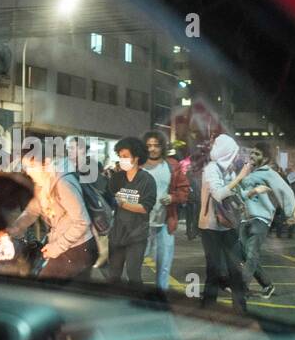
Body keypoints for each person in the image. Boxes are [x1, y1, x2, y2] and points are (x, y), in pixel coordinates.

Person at [0, 138, 96, 279]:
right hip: (62, 242)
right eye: (26, 166)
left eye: (32, 165)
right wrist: (16, 227)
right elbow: (32, 211)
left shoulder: (63, 183)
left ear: (46, 162)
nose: (28, 171)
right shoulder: (42, 182)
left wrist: (57, 248)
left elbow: (82, 222)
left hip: (78, 248)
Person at [198, 134, 253, 313]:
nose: (237, 156)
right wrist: (241, 177)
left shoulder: (229, 169)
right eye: (234, 152)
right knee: (214, 269)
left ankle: (240, 308)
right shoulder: (211, 169)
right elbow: (219, 194)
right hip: (211, 226)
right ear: (227, 152)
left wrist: (249, 192)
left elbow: (232, 194)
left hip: (228, 224)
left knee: (235, 267)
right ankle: (208, 307)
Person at [237, 141, 295, 300]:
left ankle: (241, 287)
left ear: (266, 157)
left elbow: (286, 191)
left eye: (257, 154)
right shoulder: (249, 172)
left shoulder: (270, 173)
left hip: (261, 219)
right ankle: (267, 284)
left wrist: (290, 213)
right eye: (252, 153)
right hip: (245, 219)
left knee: (251, 254)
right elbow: (242, 194)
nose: (252, 156)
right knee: (243, 254)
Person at [104, 137, 157, 285]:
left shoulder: (147, 180)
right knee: (113, 275)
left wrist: (123, 204)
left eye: (126, 157)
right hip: (117, 235)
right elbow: (109, 199)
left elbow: (145, 207)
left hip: (136, 235)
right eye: (120, 157)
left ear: (136, 158)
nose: (122, 160)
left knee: (133, 275)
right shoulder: (117, 178)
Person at [142, 131, 190, 291]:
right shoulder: (137, 165)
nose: (152, 149)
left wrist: (173, 197)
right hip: (141, 223)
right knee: (134, 262)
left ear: (162, 147)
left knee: (163, 264)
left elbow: (184, 190)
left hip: (165, 223)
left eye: (156, 145)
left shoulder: (172, 165)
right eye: (148, 145)